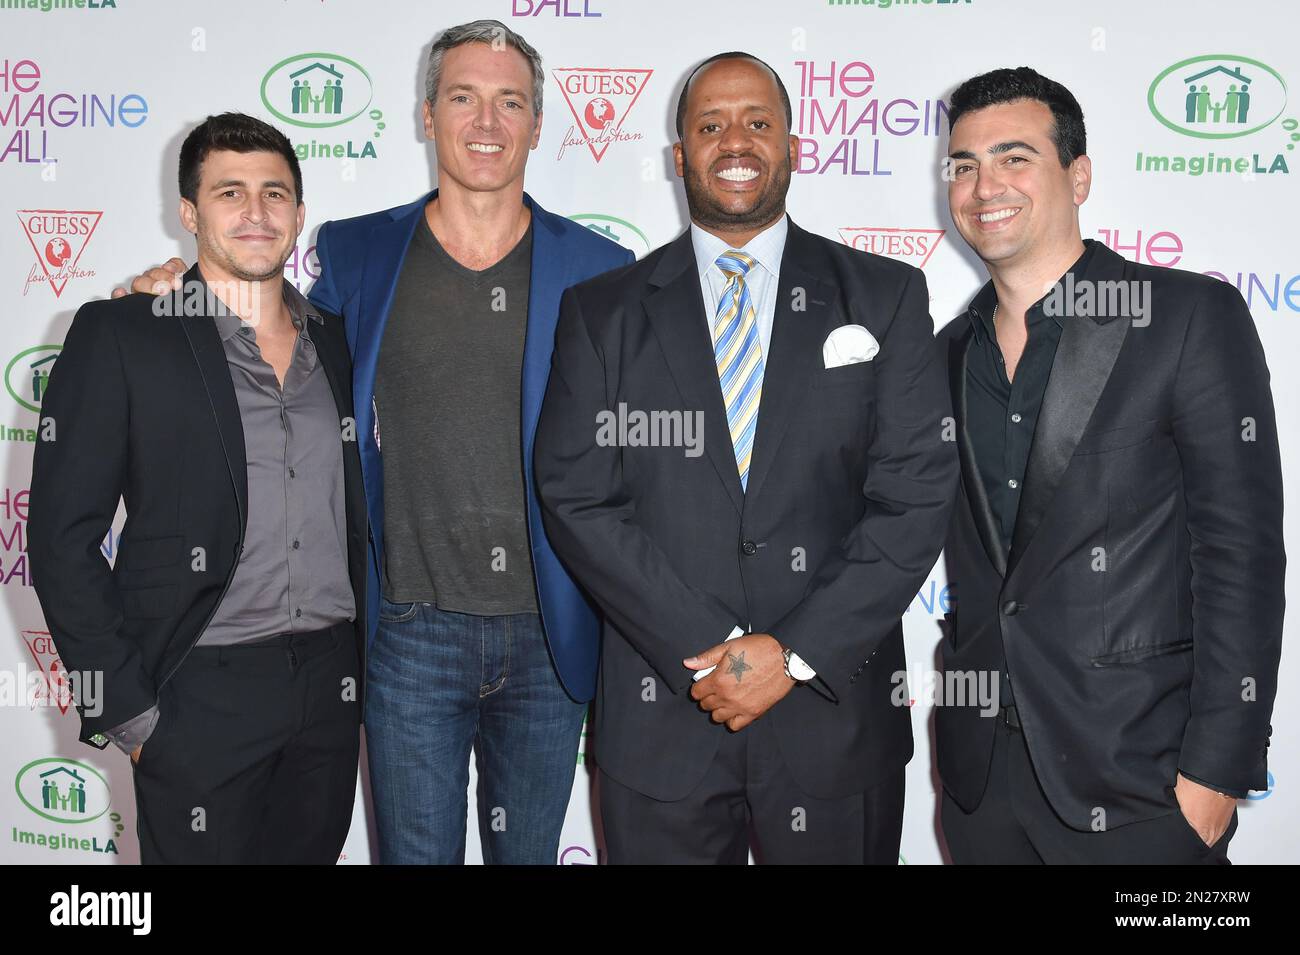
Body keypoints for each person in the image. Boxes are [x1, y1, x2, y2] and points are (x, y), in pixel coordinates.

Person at [123, 20, 631, 865]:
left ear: (539, 125)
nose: (487, 121)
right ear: (427, 115)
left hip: (550, 634)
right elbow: (266, 317)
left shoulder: (600, 267)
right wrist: (166, 291)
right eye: (463, 97)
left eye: (512, 102)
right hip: (408, 630)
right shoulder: (359, 251)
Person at [533, 52, 958, 864]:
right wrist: (718, 650)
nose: (736, 141)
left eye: (758, 122)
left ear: (794, 146)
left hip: (834, 720)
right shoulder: (601, 313)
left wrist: (791, 653)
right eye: (711, 125)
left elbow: (916, 493)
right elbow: (576, 496)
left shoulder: (885, 295)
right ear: (678, 154)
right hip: (666, 717)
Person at [934, 67, 1284, 864]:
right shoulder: (946, 354)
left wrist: (1218, 770)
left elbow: (1242, 555)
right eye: (963, 164)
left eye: (1014, 157)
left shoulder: (1185, 318)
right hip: (983, 786)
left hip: (1145, 785)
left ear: (1078, 175)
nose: (984, 184)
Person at [30, 113, 368, 864]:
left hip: (330, 686)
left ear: (299, 214)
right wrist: (130, 714)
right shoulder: (122, 333)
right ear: (189, 213)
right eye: (230, 192)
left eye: (275, 192)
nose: (256, 212)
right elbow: (60, 540)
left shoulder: (338, 342)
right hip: (195, 689)